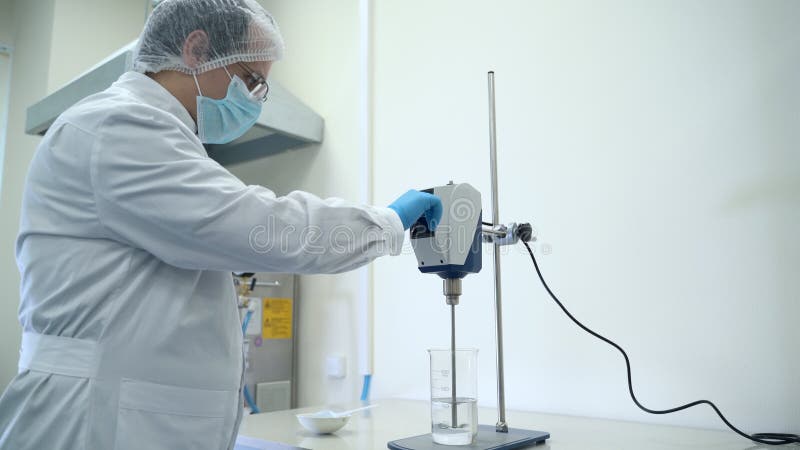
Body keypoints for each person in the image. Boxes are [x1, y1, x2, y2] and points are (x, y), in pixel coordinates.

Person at [0, 1, 441, 449]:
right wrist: (386, 222)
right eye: (252, 80)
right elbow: (262, 227)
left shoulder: (162, 137)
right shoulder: (118, 124)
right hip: (90, 421)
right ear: (196, 50)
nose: (254, 101)